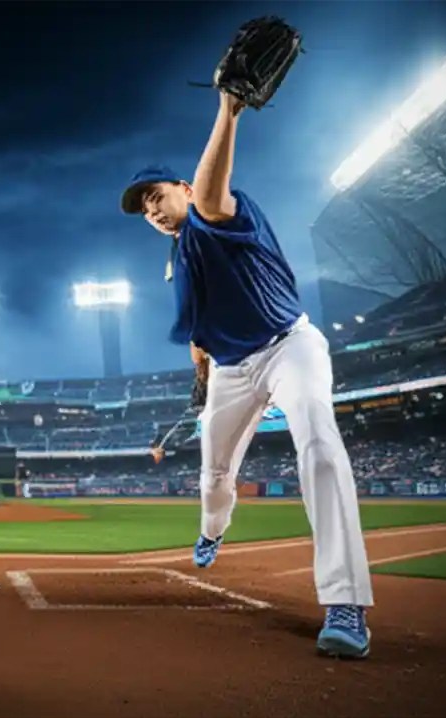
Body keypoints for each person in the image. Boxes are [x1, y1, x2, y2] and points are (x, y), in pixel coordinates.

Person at [118, 91, 374, 659]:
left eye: (157, 197)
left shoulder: (219, 213)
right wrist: (202, 372)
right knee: (213, 477)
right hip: (231, 371)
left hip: (290, 348)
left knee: (319, 442)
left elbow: (211, 190)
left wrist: (228, 110)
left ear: (183, 189)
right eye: (144, 210)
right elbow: (198, 330)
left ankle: (346, 602)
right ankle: (213, 530)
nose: (152, 212)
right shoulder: (179, 254)